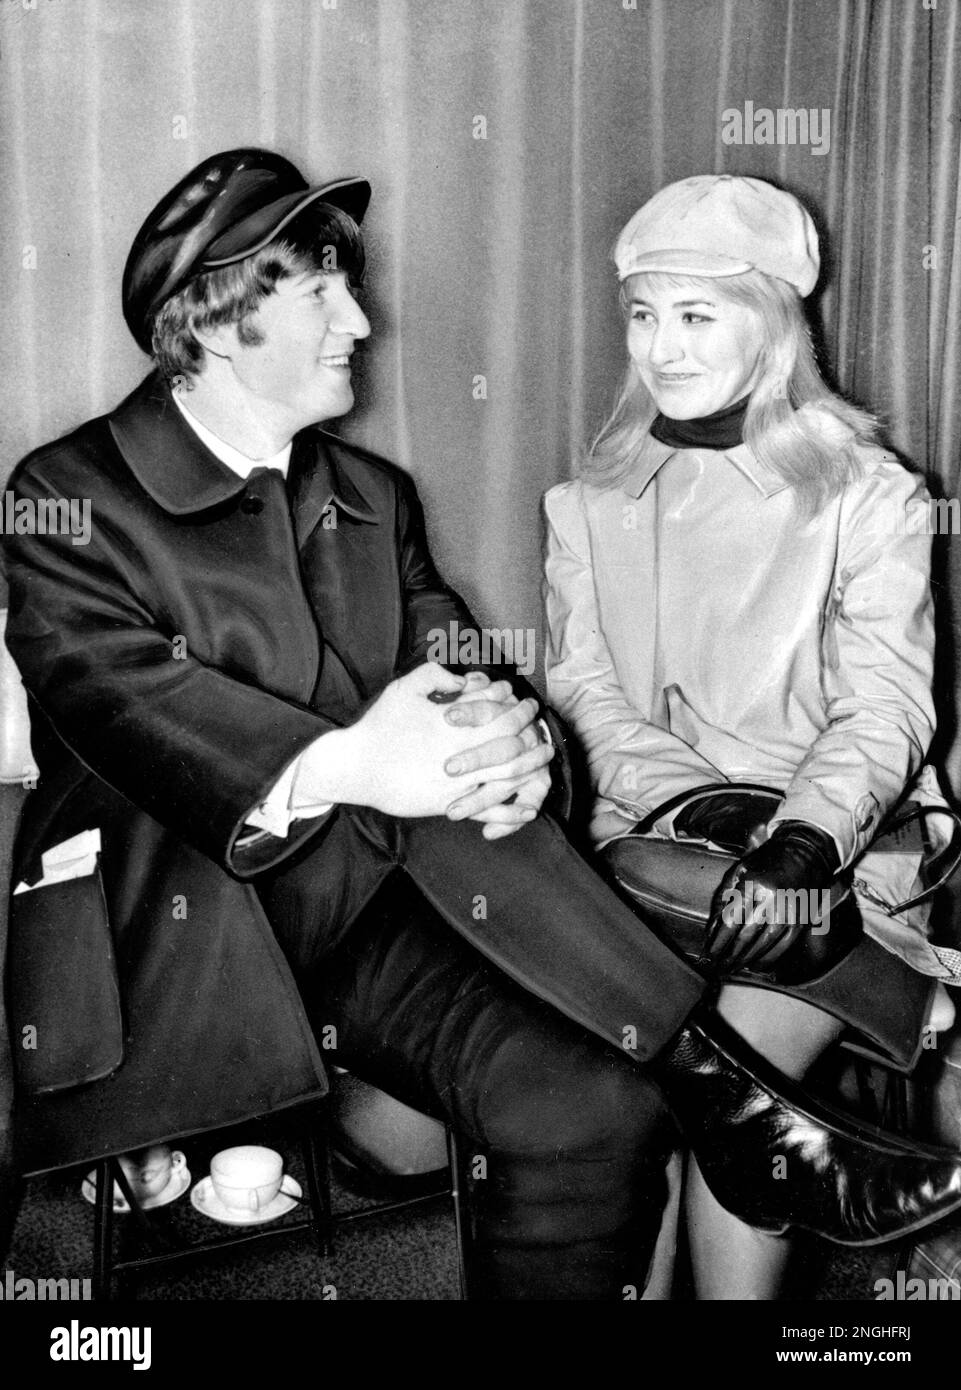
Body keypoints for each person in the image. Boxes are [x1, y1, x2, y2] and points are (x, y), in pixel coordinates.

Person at [4, 152, 961, 1302]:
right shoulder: (66, 497)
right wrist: (365, 761)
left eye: (695, 315)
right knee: (426, 790)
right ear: (219, 319)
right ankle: (750, 1097)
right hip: (177, 930)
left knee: (594, 1105)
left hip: (375, 902)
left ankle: (721, 1095)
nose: (362, 321)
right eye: (325, 296)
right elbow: (131, 705)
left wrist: (518, 751)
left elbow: (465, 670)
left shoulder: (368, 494)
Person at [543, 173, 961, 1299]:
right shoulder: (585, 503)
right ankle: (906, 1014)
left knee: (717, 1085)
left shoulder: (870, 494)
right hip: (651, 854)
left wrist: (796, 836)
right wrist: (701, 810)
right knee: (672, 1092)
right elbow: (584, 697)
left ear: (772, 323)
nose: (659, 348)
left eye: (695, 314)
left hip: (822, 867)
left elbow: (886, 707)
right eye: (641, 313)